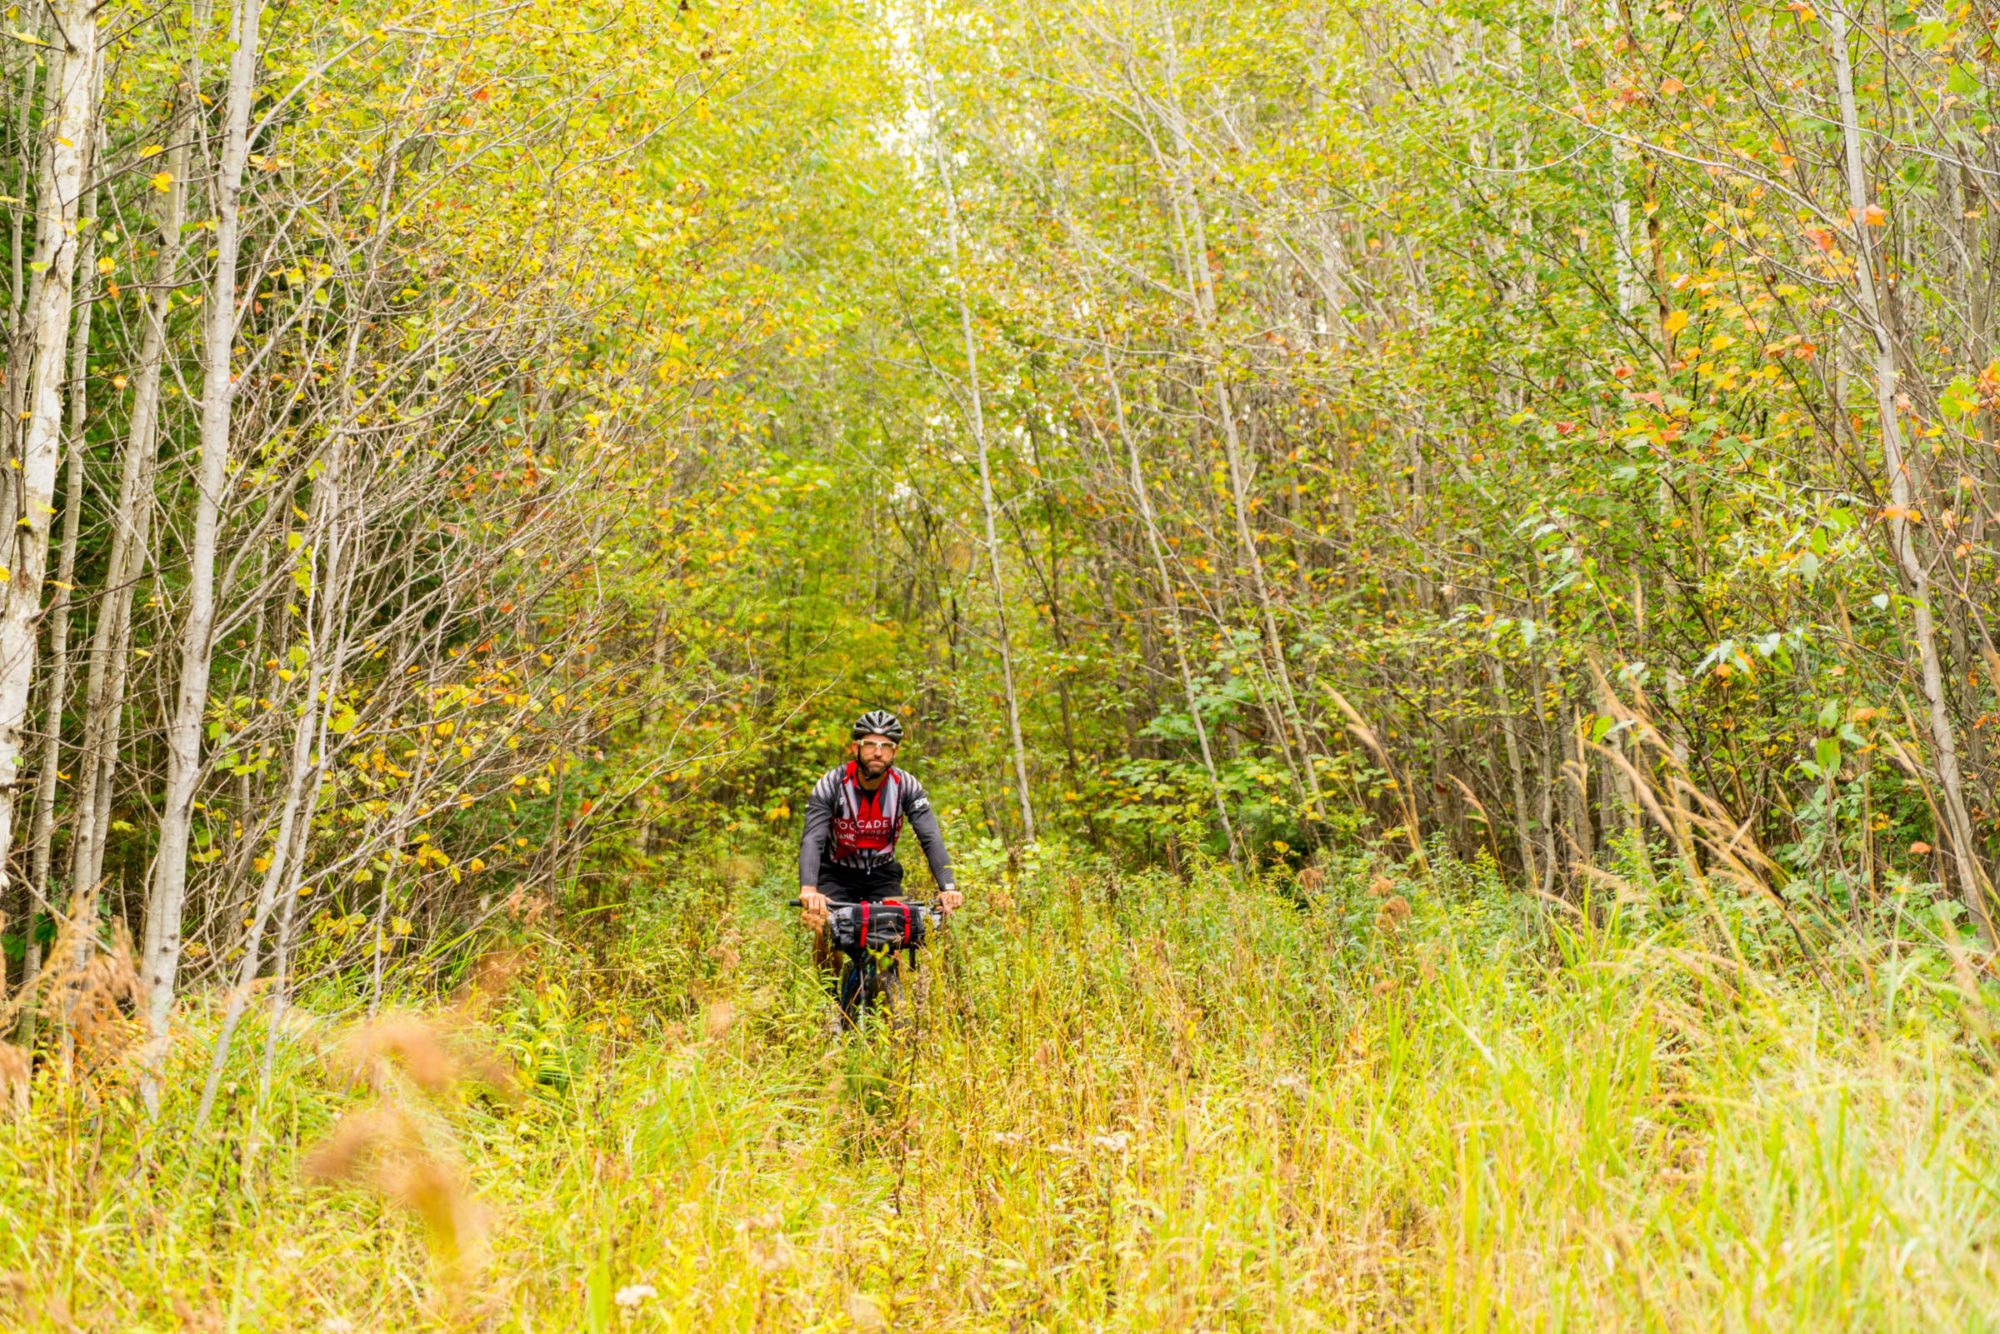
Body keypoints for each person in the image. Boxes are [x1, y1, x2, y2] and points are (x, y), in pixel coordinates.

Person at [798, 711, 962, 955]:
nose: (878, 752)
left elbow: (930, 837)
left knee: (894, 937)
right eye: (870, 744)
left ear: (895, 752)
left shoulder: (906, 785)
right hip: (836, 873)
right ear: (856, 748)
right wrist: (809, 889)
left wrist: (947, 886)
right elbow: (813, 838)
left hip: (882, 874)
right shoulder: (831, 784)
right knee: (825, 930)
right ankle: (827, 992)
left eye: (886, 746)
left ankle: (886, 987)